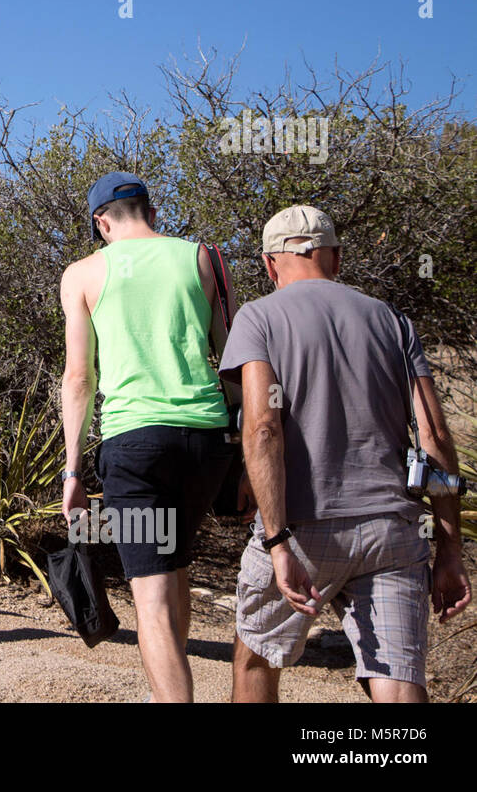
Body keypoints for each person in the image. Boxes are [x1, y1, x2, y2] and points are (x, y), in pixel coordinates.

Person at [220, 205, 471, 702]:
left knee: (256, 657)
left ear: (271, 265)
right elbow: (437, 436)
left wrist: (277, 542)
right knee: (399, 680)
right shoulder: (392, 321)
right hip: (393, 529)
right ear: (334, 257)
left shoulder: (259, 318)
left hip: (305, 528)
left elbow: (263, 429)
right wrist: (450, 550)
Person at [60, 171, 236, 702]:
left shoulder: (84, 273)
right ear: (152, 214)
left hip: (135, 444)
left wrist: (71, 470)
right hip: (206, 441)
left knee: (151, 600)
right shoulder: (205, 256)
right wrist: (247, 452)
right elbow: (232, 359)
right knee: (175, 563)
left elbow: (79, 378)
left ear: (102, 223)